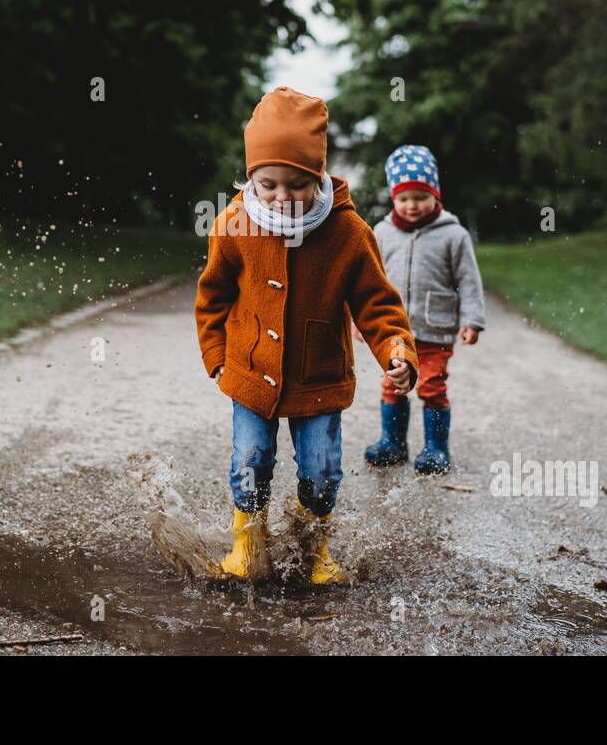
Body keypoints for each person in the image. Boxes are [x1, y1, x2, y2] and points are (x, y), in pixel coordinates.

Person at [194, 87, 419, 584]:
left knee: (321, 473)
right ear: (251, 177)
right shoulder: (233, 224)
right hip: (251, 373)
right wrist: (216, 357)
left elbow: (377, 304)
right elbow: (212, 296)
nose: (280, 196)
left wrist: (396, 350)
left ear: (318, 175)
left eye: (296, 184)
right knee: (250, 462)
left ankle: (313, 551)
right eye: (268, 183)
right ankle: (246, 548)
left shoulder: (349, 233)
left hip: (319, 378)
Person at [365, 144, 485, 474]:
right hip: (394, 333)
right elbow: (369, 282)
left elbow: (469, 280)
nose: (412, 205)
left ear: (435, 194)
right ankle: (393, 442)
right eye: (404, 198)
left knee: (432, 385)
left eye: (420, 196)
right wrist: (361, 322)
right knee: (393, 383)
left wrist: (471, 320)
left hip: (435, 329)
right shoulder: (382, 233)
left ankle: (436, 447)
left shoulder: (453, 235)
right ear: (393, 197)